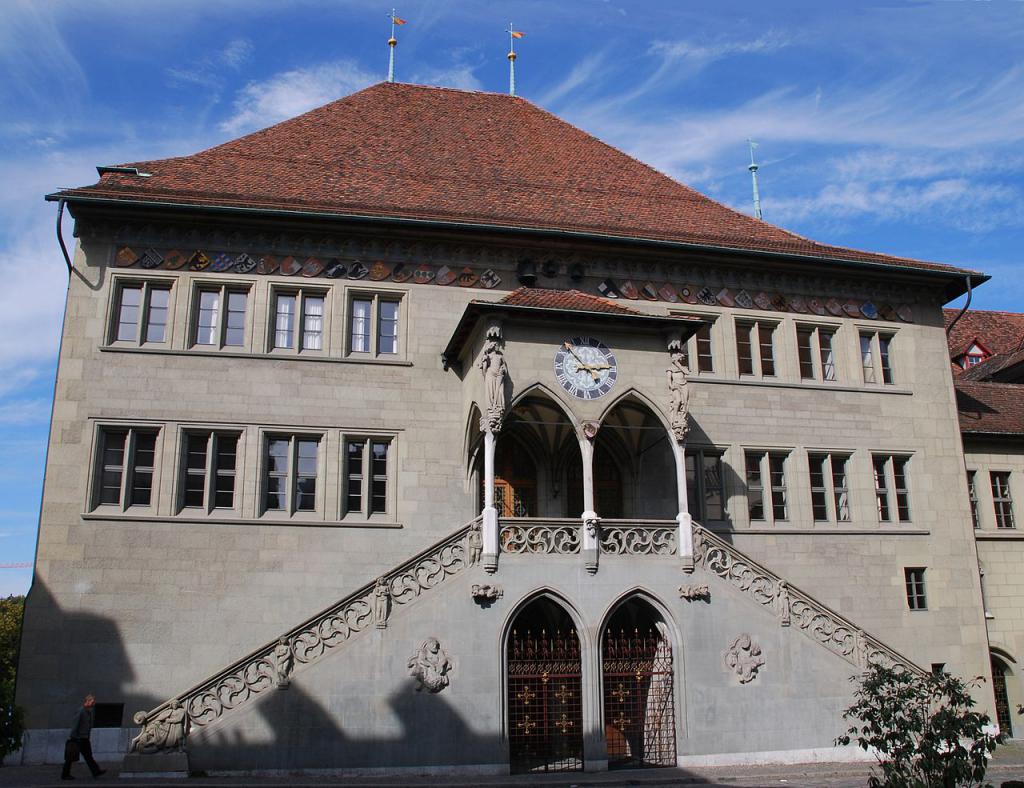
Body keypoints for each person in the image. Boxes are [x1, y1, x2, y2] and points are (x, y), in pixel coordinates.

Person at [62, 693, 106, 780]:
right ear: (88, 701)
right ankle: (65, 774)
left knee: (88, 755)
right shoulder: (81, 711)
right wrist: (73, 737)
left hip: (84, 738)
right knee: (71, 757)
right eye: (92, 702)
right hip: (78, 738)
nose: (94, 704)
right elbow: (75, 724)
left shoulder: (87, 712)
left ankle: (96, 771)